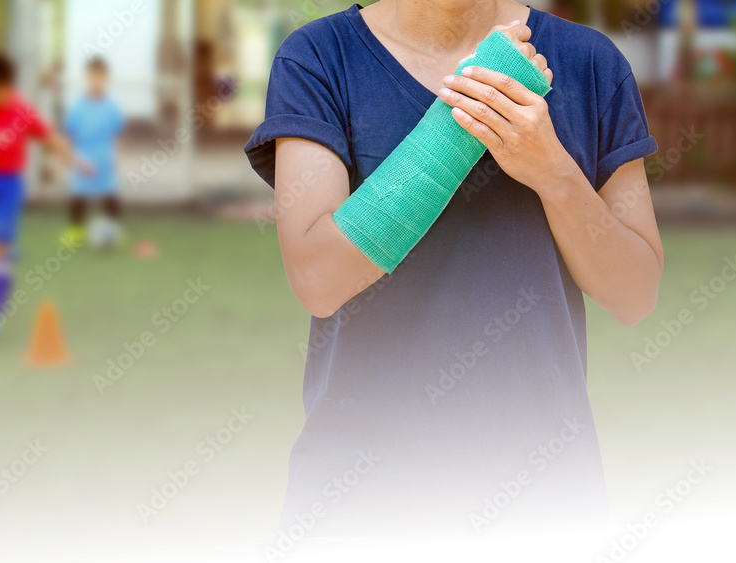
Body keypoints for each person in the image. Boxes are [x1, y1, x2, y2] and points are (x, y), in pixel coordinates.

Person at [244, 1, 663, 537]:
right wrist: (461, 128)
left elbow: (636, 294)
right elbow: (318, 279)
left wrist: (551, 169)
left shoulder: (590, 63)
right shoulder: (319, 58)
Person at [0, 53, 92, 337]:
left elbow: (50, 140)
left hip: (6, 185)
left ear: (8, 86)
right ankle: (3, 254)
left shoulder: (22, 112)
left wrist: (75, 162)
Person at [60, 57, 125, 248]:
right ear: (87, 77)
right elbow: (68, 134)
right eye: (93, 76)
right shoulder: (78, 107)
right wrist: (68, 159)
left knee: (110, 196)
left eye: (100, 77)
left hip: (105, 158)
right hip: (83, 159)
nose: (96, 81)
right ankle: (75, 231)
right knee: (78, 196)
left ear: (106, 79)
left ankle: (114, 231)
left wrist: (118, 157)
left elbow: (118, 135)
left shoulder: (112, 107)